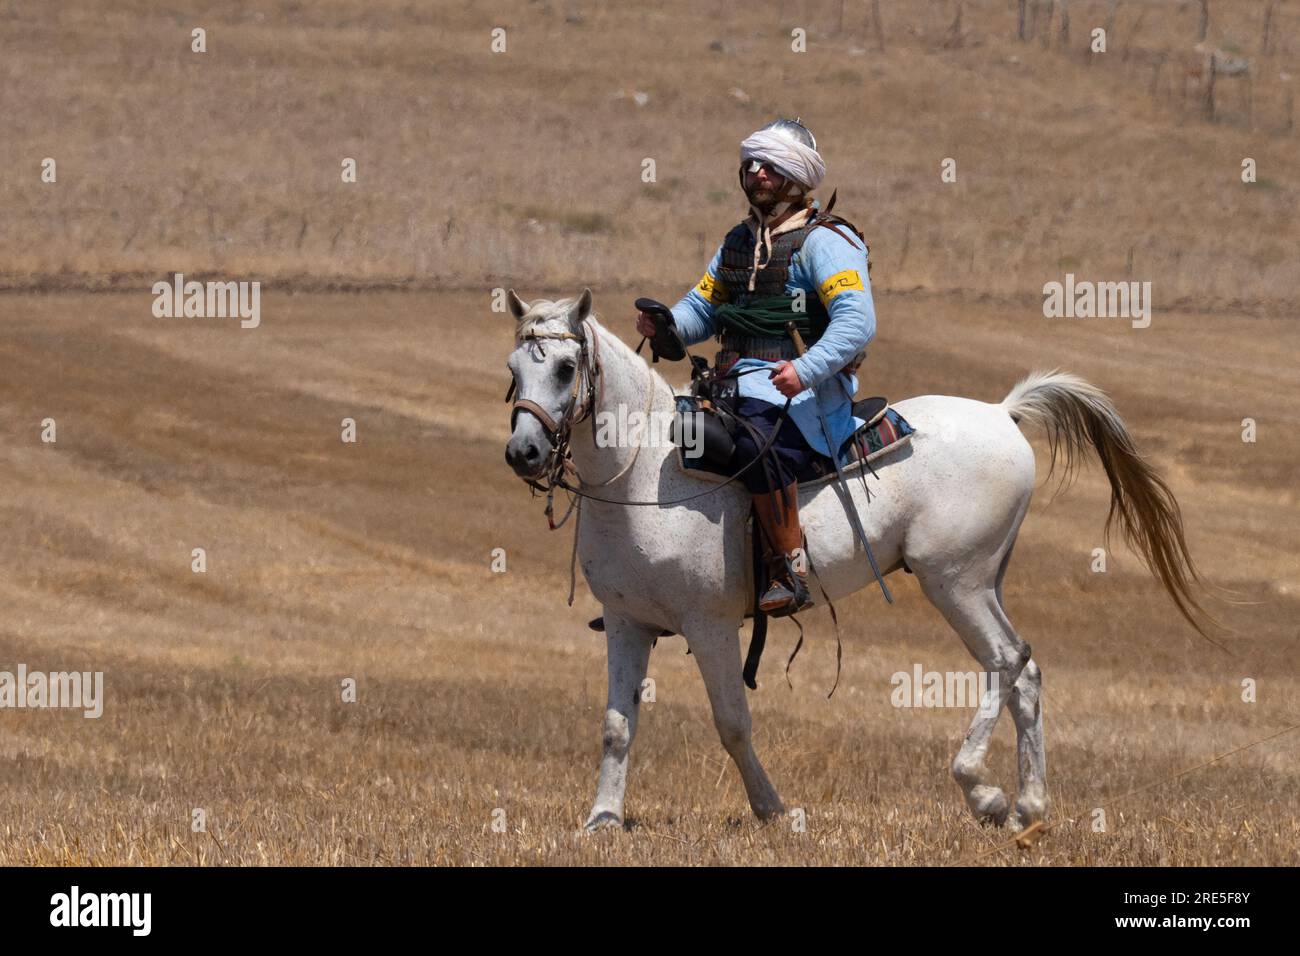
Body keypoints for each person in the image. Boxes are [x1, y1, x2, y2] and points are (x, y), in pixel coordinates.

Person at [636, 118, 876, 617]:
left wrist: (806, 370)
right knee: (668, 434)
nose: (756, 173)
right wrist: (667, 327)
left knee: (755, 441)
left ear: (796, 175)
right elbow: (702, 308)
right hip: (732, 385)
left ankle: (789, 565)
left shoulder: (826, 241)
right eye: (750, 165)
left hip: (802, 391)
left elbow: (856, 322)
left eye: (769, 165)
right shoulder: (738, 242)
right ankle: (662, 584)